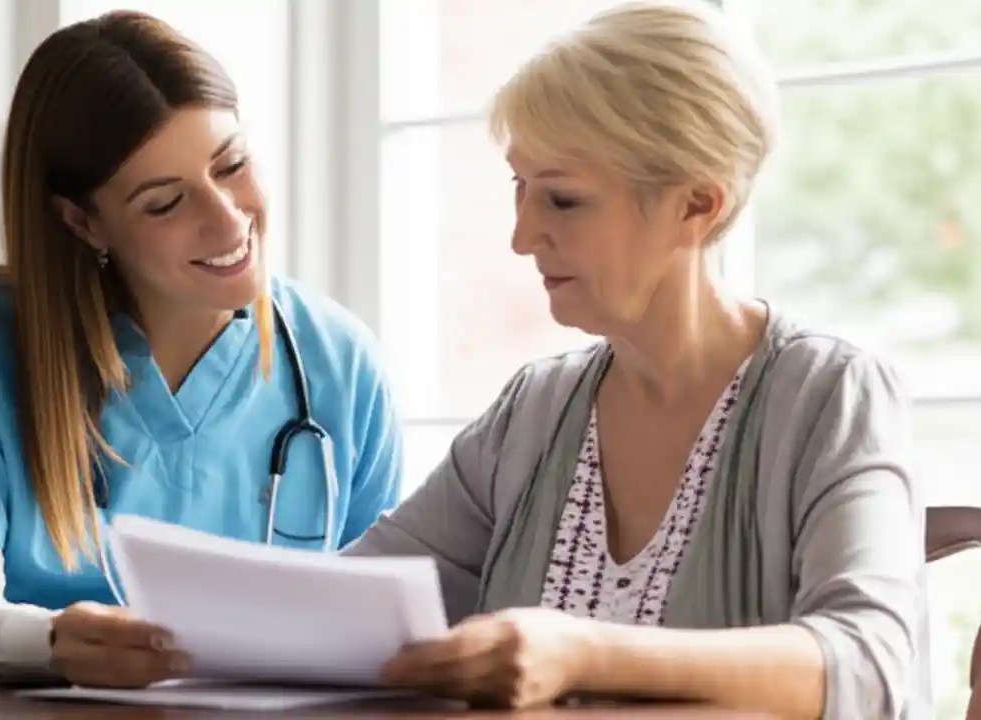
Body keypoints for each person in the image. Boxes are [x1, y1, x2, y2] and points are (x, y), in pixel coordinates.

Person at [346, 2, 929, 718]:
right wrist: (182, 633)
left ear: (697, 205)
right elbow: (352, 604)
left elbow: (869, 666)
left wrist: (582, 652)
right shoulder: (533, 410)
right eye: (519, 188)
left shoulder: (829, 394)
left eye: (562, 199)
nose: (522, 236)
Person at [0, 11, 402, 687]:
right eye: (164, 203)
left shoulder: (340, 362)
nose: (227, 218)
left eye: (232, 165)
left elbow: (380, 620)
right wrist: (54, 638)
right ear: (83, 220)